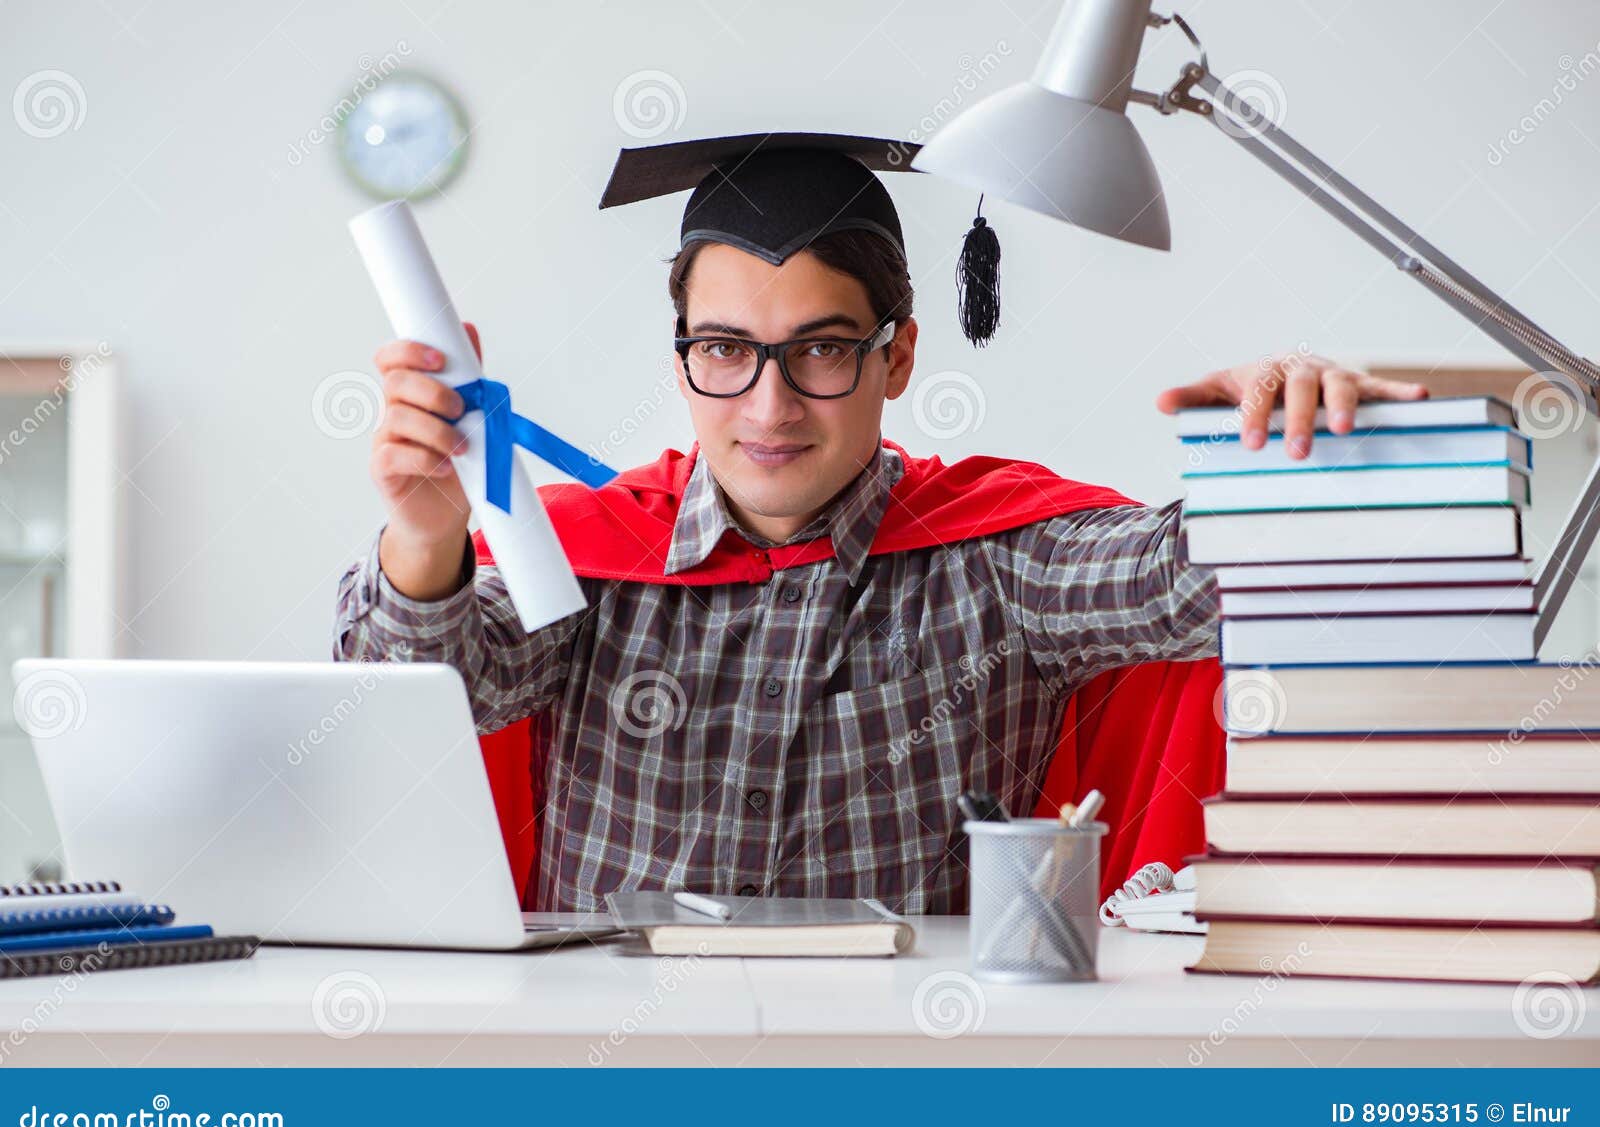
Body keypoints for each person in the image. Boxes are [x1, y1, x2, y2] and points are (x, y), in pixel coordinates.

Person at [332, 133, 1426, 913]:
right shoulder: (593, 559)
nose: (768, 407)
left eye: (820, 348)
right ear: (683, 356)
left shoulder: (1002, 562)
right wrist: (427, 536)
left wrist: (1290, 449)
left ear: (896, 357)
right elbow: (419, 710)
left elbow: (1212, 577)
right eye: (724, 350)